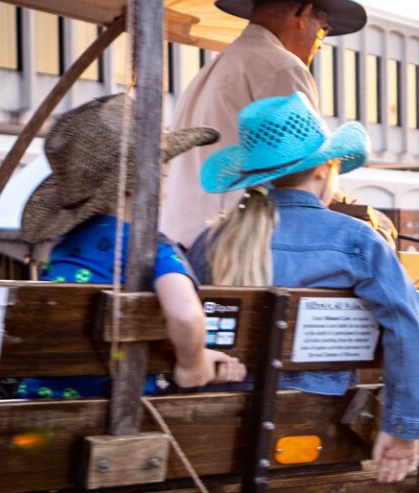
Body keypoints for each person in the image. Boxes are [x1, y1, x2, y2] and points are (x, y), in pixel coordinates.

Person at [188, 94, 419, 484]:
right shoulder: (358, 241)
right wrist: (402, 429)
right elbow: (408, 325)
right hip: (319, 424)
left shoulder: (214, 240)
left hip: (217, 429)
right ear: (323, 168)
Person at [16, 95, 246, 399]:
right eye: (163, 177)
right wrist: (194, 364)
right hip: (110, 407)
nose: (165, 191)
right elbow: (186, 315)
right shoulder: (149, 247)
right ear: (134, 186)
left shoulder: (65, 245)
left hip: (36, 399)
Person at [160, 0, 367, 249]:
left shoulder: (217, 66)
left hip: (182, 240)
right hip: (234, 248)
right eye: (323, 30)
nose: (320, 43)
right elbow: (301, 175)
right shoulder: (283, 66)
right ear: (303, 14)